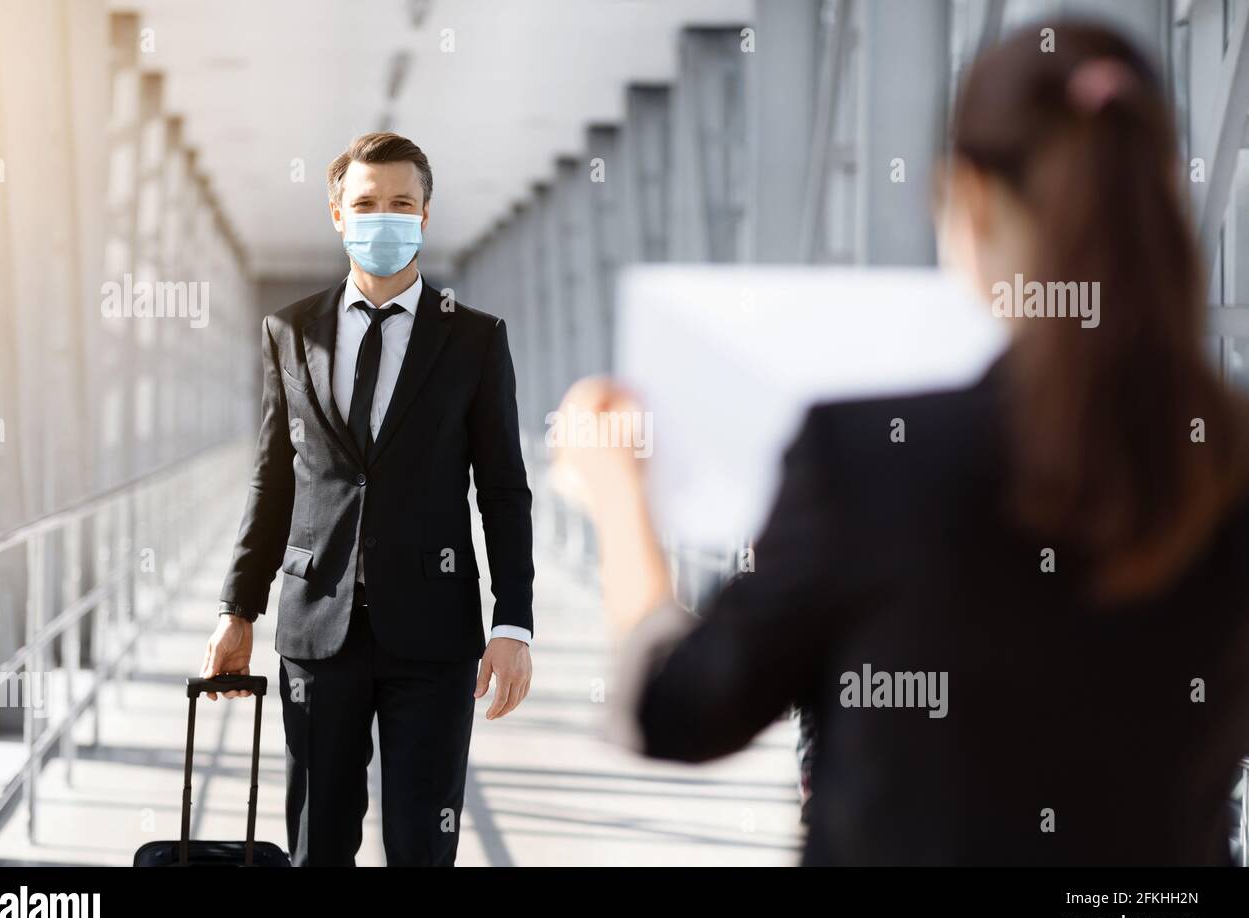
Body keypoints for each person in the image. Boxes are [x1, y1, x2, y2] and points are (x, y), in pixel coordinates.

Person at [553, 21, 1249, 865]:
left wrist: (619, 496)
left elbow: (677, 710)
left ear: (970, 200)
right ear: (1162, 187)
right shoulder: (1222, 457)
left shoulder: (870, 458)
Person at [201, 133, 535, 866]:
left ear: (424, 214)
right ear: (336, 213)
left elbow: (504, 490)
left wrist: (515, 622)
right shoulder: (288, 332)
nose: (382, 217)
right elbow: (272, 479)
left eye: (400, 204)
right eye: (365, 203)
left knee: (422, 845)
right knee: (317, 846)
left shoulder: (475, 340)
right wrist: (238, 609)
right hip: (317, 632)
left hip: (436, 636)